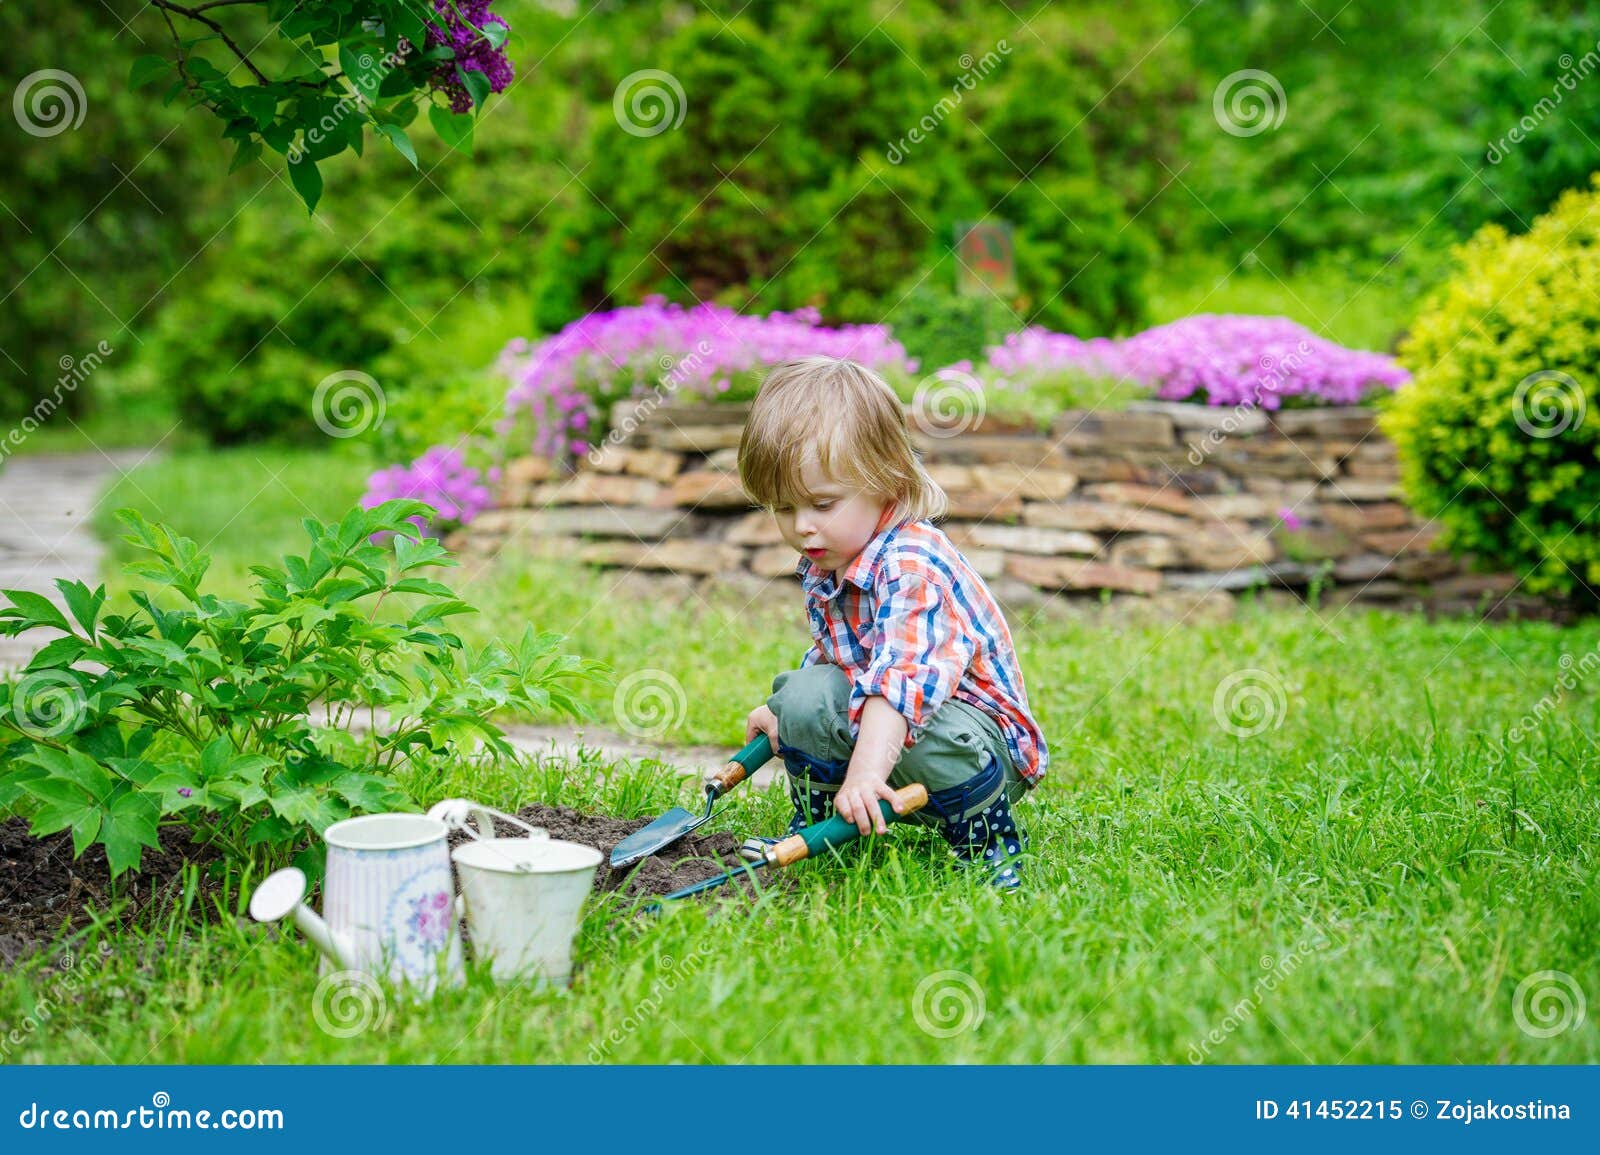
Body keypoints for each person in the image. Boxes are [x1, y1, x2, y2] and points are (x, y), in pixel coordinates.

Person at [735, 356, 1049, 890]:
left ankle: (988, 848)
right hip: (890, 725)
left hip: (974, 743)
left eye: (821, 503)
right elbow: (839, 659)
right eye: (782, 508)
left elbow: (902, 685)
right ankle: (820, 829)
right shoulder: (829, 555)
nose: (802, 526)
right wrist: (783, 713)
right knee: (801, 692)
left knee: (931, 734)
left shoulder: (912, 563)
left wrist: (865, 773)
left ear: (887, 481)